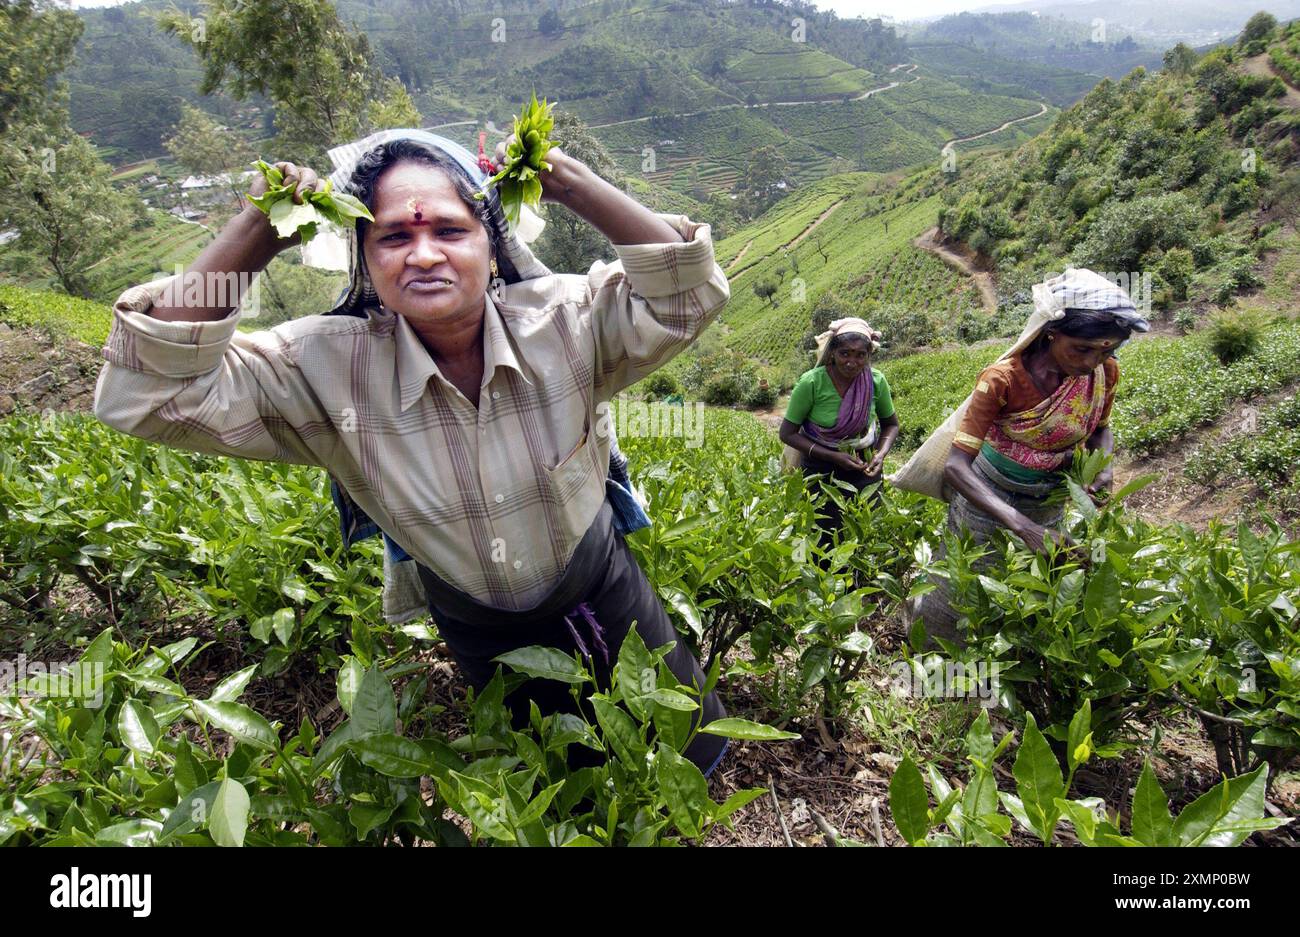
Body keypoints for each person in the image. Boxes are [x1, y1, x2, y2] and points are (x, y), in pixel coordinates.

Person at [92, 129, 732, 774]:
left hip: (601, 585)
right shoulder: (320, 368)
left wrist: (575, 187)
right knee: (562, 778)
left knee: (678, 749)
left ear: (492, 243)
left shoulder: (566, 321)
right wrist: (258, 232)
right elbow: (143, 393)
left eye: (451, 231)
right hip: (479, 622)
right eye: (394, 237)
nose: (423, 255)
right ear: (366, 260)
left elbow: (687, 296)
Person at [904, 268, 1150, 645]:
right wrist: (1025, 528)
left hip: (1049, 501)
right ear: (1052, 331)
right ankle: (933, 657)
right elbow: (956, 467)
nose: (1091, 362)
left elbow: (1100, 428)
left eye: (1106, 350)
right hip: (987, 501)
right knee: (963, 585)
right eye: (1082, 349)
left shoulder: (1104, 374)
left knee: (1027, 585)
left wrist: (1104, 467)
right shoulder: (1003, 379)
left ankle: (1005, 661)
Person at [779, 317, 900, 552]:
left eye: (860, 355)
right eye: (845, 353)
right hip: (820, 469)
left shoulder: (876, 381)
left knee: (863, 531)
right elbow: (788, 433)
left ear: (868, 356)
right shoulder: (812, 383)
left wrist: (881, 454)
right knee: (824, 534)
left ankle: (859, 583)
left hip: (864, 466)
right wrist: (834, 457)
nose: (852, 362)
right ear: (832, 352)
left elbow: (891, 424)